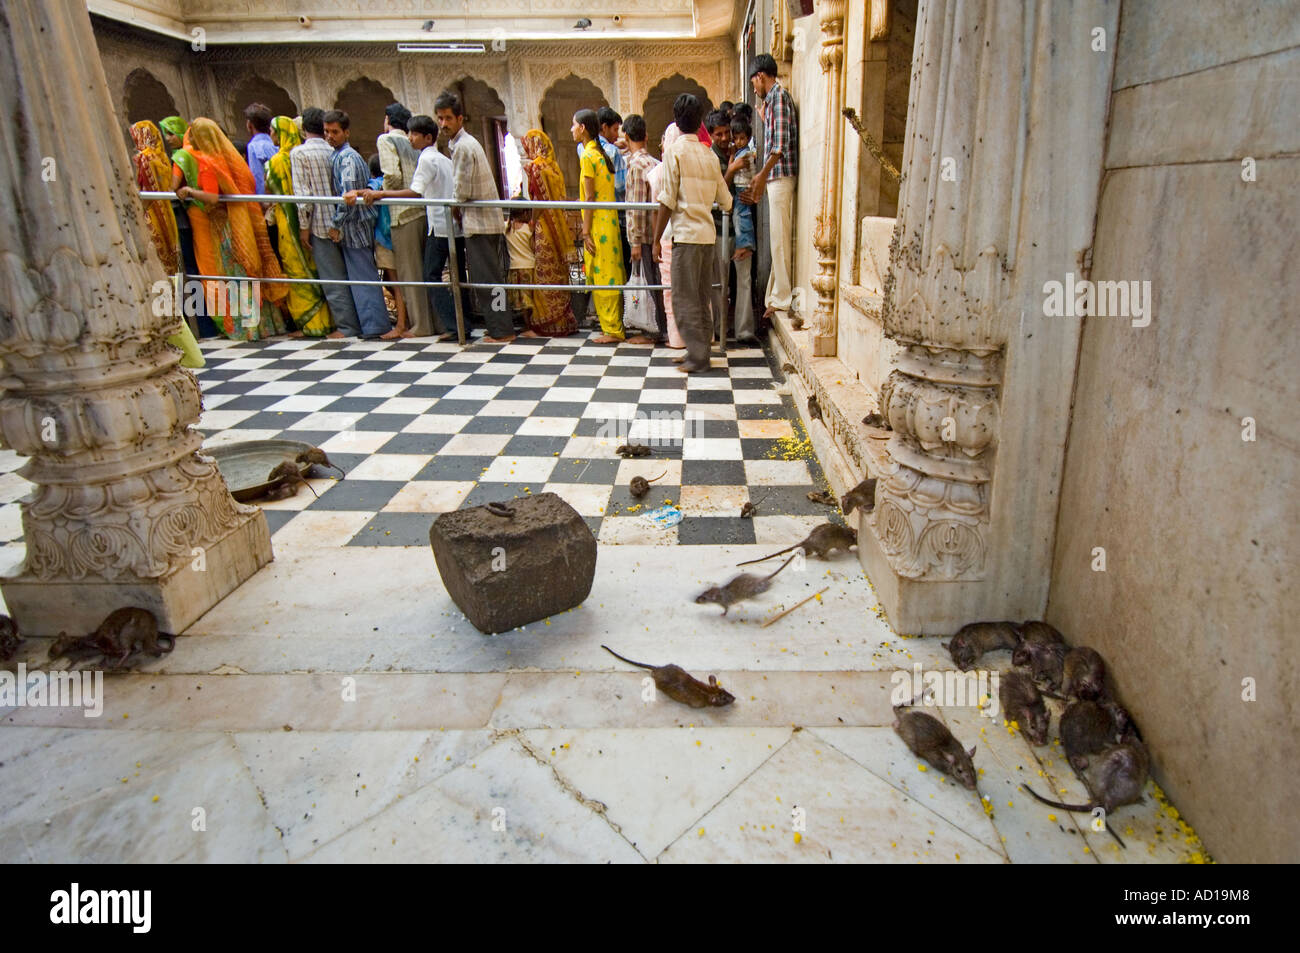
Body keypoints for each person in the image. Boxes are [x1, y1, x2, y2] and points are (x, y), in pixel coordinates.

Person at [170, 117, 288, 341]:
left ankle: (247, 327)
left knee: (236, 274)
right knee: (248, 273)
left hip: (228, 226)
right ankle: (265, 325)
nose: (190, 138)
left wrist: (191, 192)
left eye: (193, 134)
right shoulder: (232, 161)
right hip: (243, 222)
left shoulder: (209, 162)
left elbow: (213, 197)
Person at [353, 114, 458, 341]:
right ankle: (451, 324)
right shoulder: (442, 159)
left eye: (414, 134)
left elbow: (412, 189)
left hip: (428, 222)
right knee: (440, 275)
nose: (410, 138)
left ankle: (432, 325)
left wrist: (382, 193)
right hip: (441, 223)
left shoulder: (424, 158)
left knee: (425, 275)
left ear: (427, 137)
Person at [653, 95, 732, 373]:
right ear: (701, 122)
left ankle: (697, 357)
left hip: (685, 237)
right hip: (707, 238)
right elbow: (727, 201)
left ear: (677, 120)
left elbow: (667, 199)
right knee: (701, 298)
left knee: (683, 298)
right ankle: (699, 351)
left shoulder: (674, 153)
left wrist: (655, 239)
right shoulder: (709, 155)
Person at [436, 91, 514, 343]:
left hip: (479, 224)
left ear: (460, 118)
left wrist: (456, 208)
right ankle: (501, 326)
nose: (444, 124)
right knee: (492, 279)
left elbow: (462, 191)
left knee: (489, 280)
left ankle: (502, 329)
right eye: (440, 118)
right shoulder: (466, 144)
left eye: (448, 118)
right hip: (483, 223)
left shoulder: (463, 147)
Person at [292, 107, 363, 337]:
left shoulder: (300, 154)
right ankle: (356, 322)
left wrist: (304, 227)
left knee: (333, 280)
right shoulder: (333, 150)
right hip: (343, 223)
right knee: (349, 276)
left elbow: (304, 197)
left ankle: (347, 327)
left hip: (322, 224)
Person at [320, 109, 388, 339]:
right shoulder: (339, 156)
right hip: (353, 226)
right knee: (360, 274)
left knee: (362, 276)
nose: (330, 136)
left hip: (355, 226)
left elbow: (349, 197)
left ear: (346, 132)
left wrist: (336, 224)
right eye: (327, 132)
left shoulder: (347, 158)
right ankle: (371, 324)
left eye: (335, 132)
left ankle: (374, 325)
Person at [575, 109, 641, 345]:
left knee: (602, 273)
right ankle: (613, 325)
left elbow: (589, 197)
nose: (572, 130)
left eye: (574, 126)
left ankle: (612, 328)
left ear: (583, 128)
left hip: (598, 223)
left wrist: (585, 231)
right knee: (611, 272)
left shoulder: (589, 156)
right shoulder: (603, 154)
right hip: (610, 220)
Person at [742, 53, 799, 322]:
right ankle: (777, 295)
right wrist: (765, 119)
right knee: (777, 238)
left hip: (779, 176)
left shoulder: (777, 97)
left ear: (760, 76)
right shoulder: (774, 100)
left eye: (754, 83)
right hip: (777, 176)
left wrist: (762, 175)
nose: (754, 89)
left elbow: (779, 145)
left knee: (779, 239)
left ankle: (782, 298)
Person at [265, 115, 333, 336]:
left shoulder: (281, 160)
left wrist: (302, 226)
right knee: (313, 269)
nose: (271, 135)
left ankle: (311, 324)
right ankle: (325, 319)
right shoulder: (305, 154)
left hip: (290, 221)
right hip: (310, 220)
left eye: (274, 131)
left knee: (297, 270)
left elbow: (273, 194)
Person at [377, 102, 434, 336]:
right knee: (424, 272)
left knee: (410, 274)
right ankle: (430, 322)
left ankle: (420, 325)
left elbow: (392, 175)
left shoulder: (387, 140)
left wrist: (382, 193)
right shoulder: (414, 143)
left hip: (402, 212)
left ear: (389, 119)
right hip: (421, 212)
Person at [521, 129, 578, 336]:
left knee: (544, 275)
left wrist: (532, 220)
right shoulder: (554, 167)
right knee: (557, 272)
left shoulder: (536, 167)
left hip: (544, 228)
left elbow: (538, 203)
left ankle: (545, 322)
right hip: (559, 228)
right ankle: (562, 320)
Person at [622, 114, 667, 344]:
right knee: (656, 283)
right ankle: (658, 328)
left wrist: (635, 242)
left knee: (649, 285)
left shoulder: (636, 166)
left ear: (627, 136)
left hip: (646, 237)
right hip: (658, 233)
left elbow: (637, 208)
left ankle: (654, 331)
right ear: (647, 136)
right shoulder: (653, 162)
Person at [130, 120, 180, 274]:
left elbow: (146, 189)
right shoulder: (162, 157)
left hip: (152, 213)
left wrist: (138, 211)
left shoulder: (144, 158)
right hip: (167, 213)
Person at [725, 115, 758, 344]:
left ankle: (743, 331)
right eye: (734, 138)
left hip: (741, 200)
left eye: (740, 138)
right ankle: (725, 329)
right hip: (721, 228)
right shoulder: (734, 156)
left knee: (743, 277)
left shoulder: (744, 156)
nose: (736, 141)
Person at [367, 153, 407, 337]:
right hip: (398, 234)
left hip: (384, 238)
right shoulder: (396, 184)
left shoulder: (376, 185)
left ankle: (400, 325)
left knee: (395, 283)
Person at [705, 109, 734, 340]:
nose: (724, 138)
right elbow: (717, 195)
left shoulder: (732, 153)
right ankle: (720, 331)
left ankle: (725, 328)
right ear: (711, 135)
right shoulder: (711, 159)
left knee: (728, 284)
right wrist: (732, 171)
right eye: (718, 134)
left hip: (734, 230)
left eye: (727, 133)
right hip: (717, 230)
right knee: (719, 285)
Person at [505, 207, 536, 333]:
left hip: (514, 267)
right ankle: (534, 325)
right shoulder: (528, 229)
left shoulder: (506, 228)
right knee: (532, 298)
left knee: (523, 301)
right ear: (524, 213)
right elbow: (534, 247)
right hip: (530, 265)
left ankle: (527, 325)